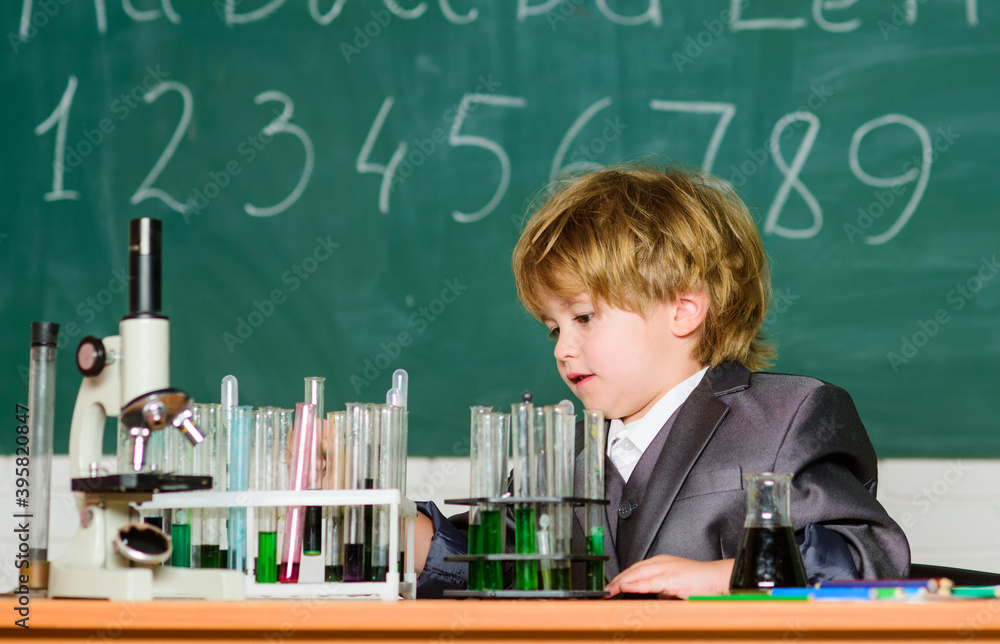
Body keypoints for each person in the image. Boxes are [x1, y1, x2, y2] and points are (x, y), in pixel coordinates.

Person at [413, 162, 910, 598]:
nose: (564, 348)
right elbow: (480, 566)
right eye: (553, 330)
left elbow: (868, 558)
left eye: (584, 317)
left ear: (683, 309)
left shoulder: (788, 416)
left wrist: (723, 576)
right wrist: (375, 516)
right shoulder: (562, 455)